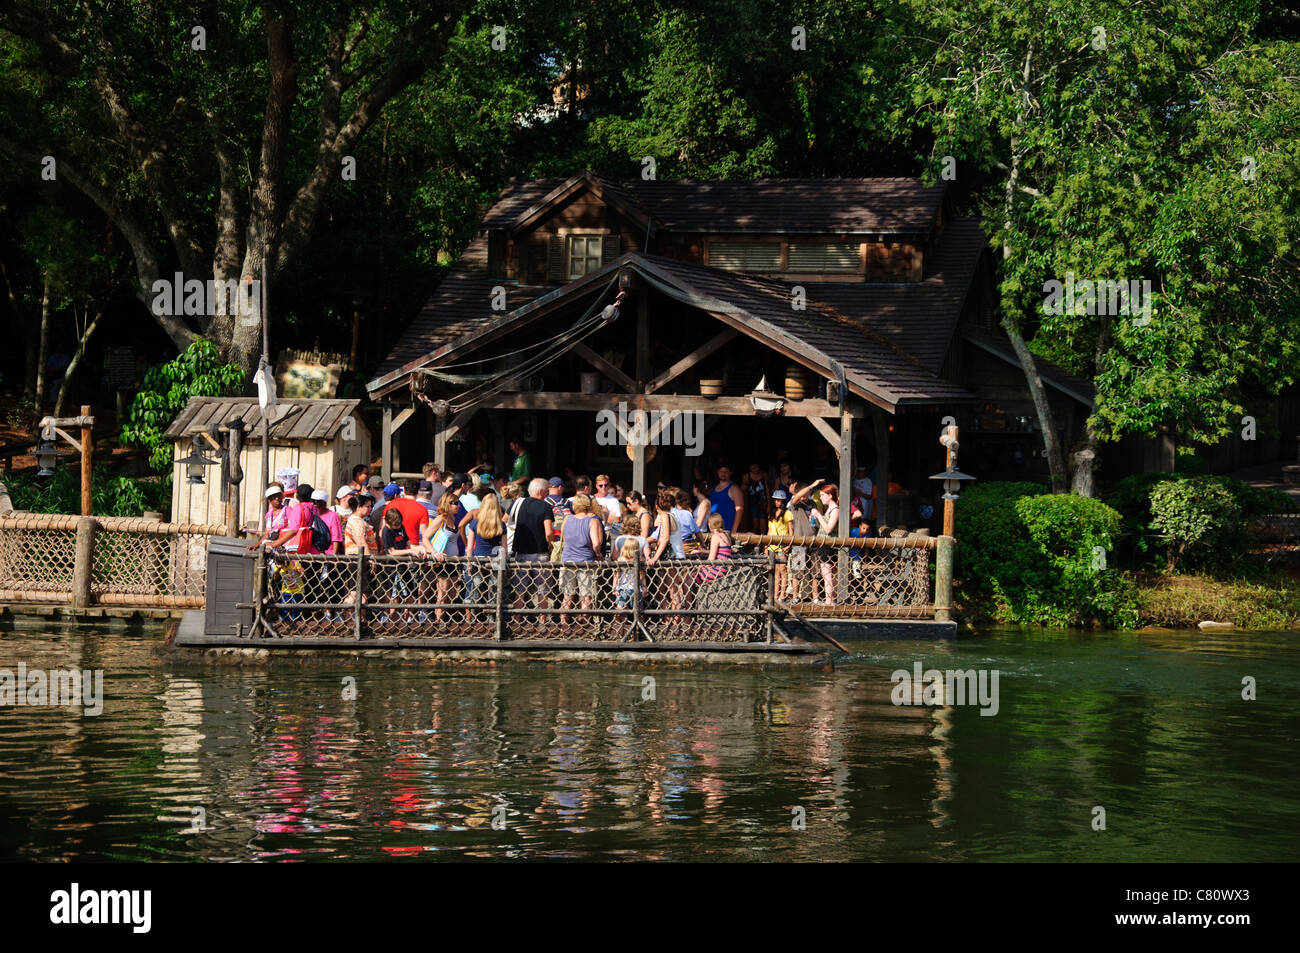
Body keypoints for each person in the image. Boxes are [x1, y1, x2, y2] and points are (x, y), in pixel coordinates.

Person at [559, 494, 603, 625]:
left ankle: (563, 623)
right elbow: (596, 543)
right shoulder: (592, 521)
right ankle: (583, 624)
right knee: (586, 596)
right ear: (587, 505)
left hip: (567, 560)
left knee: (567, 595)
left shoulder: (567, 519)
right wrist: (598, 553)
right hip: (585, 561)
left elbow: (565, 540)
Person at [512, 478, 555, 609]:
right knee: (543, 589)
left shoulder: (519, 503)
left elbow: (505, 520)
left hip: (521, 552)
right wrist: (551, 545)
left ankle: (517, 619)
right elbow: (548, 532)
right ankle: (542, 619)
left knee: (520, 589)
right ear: (541, 492)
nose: (548, 494)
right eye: (547, 491)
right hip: (540, 552)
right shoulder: (546, 506)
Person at [465, 492, 505, 610]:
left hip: (478, 559)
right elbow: (504, 548)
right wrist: (504, 565)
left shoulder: (475, 522)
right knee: (494, 591)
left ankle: (475, 618)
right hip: (496, 560)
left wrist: (468, 563)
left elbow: (470, 546)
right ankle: (493, 618)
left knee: (477, 589)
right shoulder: (501, 524)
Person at [388, 478, 430, 547]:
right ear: (418, 492)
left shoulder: (391, 504)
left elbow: (383, 528)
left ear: (403, 490)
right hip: (413, 549)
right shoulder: (422, 509)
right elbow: (425, 535)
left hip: (393, 548)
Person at [767, 487, 793, 600]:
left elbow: (791, 530)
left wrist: (789, 545)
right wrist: (766, 545)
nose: (777, 502)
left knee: (783, 569)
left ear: (783, 501)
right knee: (775, 570)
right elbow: (769, 531)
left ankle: (782, 594)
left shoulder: (787, 513)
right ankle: (775, 593)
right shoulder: (771, 514)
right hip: (772, 545)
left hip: (783, 544)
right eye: (775, 500)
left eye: (779, 500)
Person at [694, 513, 733, 584]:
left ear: (710, 524)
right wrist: (701, 551)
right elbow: (720, 551)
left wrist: (700, 566)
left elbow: (711, 559)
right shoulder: (726, 535)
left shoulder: (716, 537)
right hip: (724, 569)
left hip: (717, 570)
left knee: (690, 577)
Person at [710, 466, 744, 534]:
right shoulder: (714, 488)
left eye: (726, 472)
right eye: (721, 471)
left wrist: (734, 530)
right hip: (713, 528)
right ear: (718, 472)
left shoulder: (734, 488)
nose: (723, 474)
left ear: (730, 473)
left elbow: (739, 510)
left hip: (728, 528)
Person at [671, 488, 703, 554]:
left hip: (673, 546)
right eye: (688, 503)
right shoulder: (687, 513)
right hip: (687, 547)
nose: (688, 506)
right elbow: (696, 532)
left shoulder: (669, 513)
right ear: (683, 502)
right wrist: (702, 544)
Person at [742, 462, 768, 534]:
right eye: (753, 468)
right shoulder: (747, 476)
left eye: (756, 467)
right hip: (752, 504)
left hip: (763, 503)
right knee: (755, 525)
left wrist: (769, 504)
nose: (755, 469)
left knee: (763, 526)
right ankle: (755, 544)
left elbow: (767, 489)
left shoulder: (764, 474)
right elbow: (743, 490)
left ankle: (764, 544)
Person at [615, 538, 641, 609]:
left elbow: (616, 575)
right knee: (638, 608)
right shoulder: (639, 559)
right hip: (633, 587)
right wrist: (644, 587)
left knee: (621, 608)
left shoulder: (620, 559)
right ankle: (639, 619)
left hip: (624, 587)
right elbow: (642, 576)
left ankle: (621, 619)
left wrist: (614, 587)